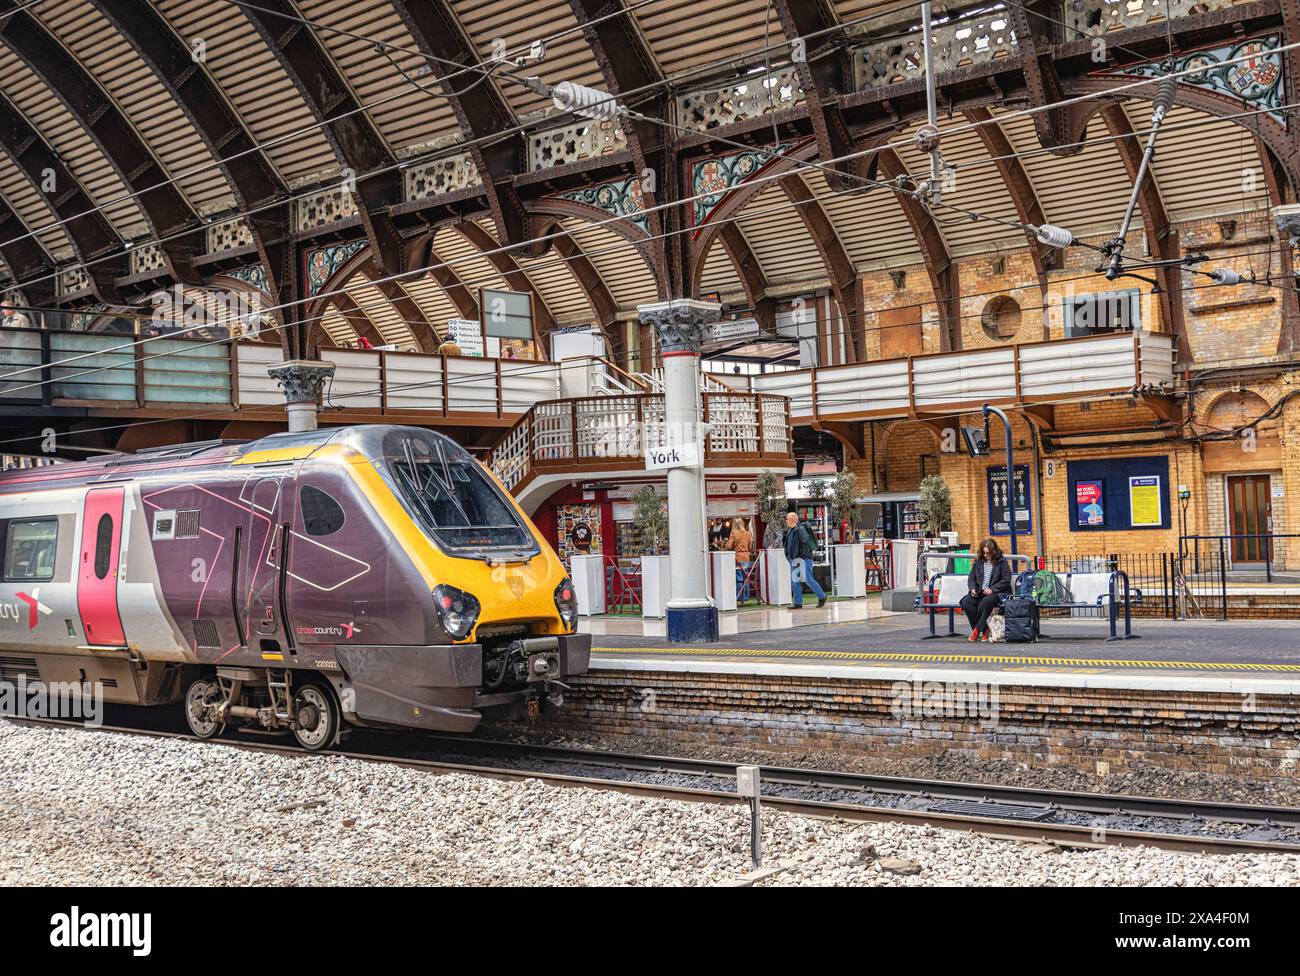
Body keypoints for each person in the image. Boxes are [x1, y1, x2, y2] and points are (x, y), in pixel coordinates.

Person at [960, 538, 1012, 642]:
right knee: (966, 602)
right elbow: (972, 578)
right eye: (984, 553)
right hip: (980, 591)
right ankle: (985, 629)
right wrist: (973, 589)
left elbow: (1006, 580)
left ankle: (976, 630)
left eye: (988, 553)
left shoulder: (1002, 562)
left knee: (986, 602)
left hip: (997, 592)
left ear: (994, 552)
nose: (986, 555)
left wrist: (992, 589)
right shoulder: (978, 562)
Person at [784, 511, 826, 610]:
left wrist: (801, 557)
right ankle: (798, 602)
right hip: (794, 559)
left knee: (808, 579)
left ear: (793, 519)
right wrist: (789, 557)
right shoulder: (790, 530)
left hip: (804, 559)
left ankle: (822, 597)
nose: (786, 521)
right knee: (795, 581)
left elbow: (805, 544)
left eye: (787, 519)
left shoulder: (800, 529)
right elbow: (787, 545)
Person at [729, 517, 753, 602]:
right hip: (746, 557)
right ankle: (746, 596)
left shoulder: (734, 533)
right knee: (746, 576)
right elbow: (750, 547)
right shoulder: (747, 533)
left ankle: (739, 596)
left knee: (739, 577)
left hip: (738, 556)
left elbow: (729, 546)